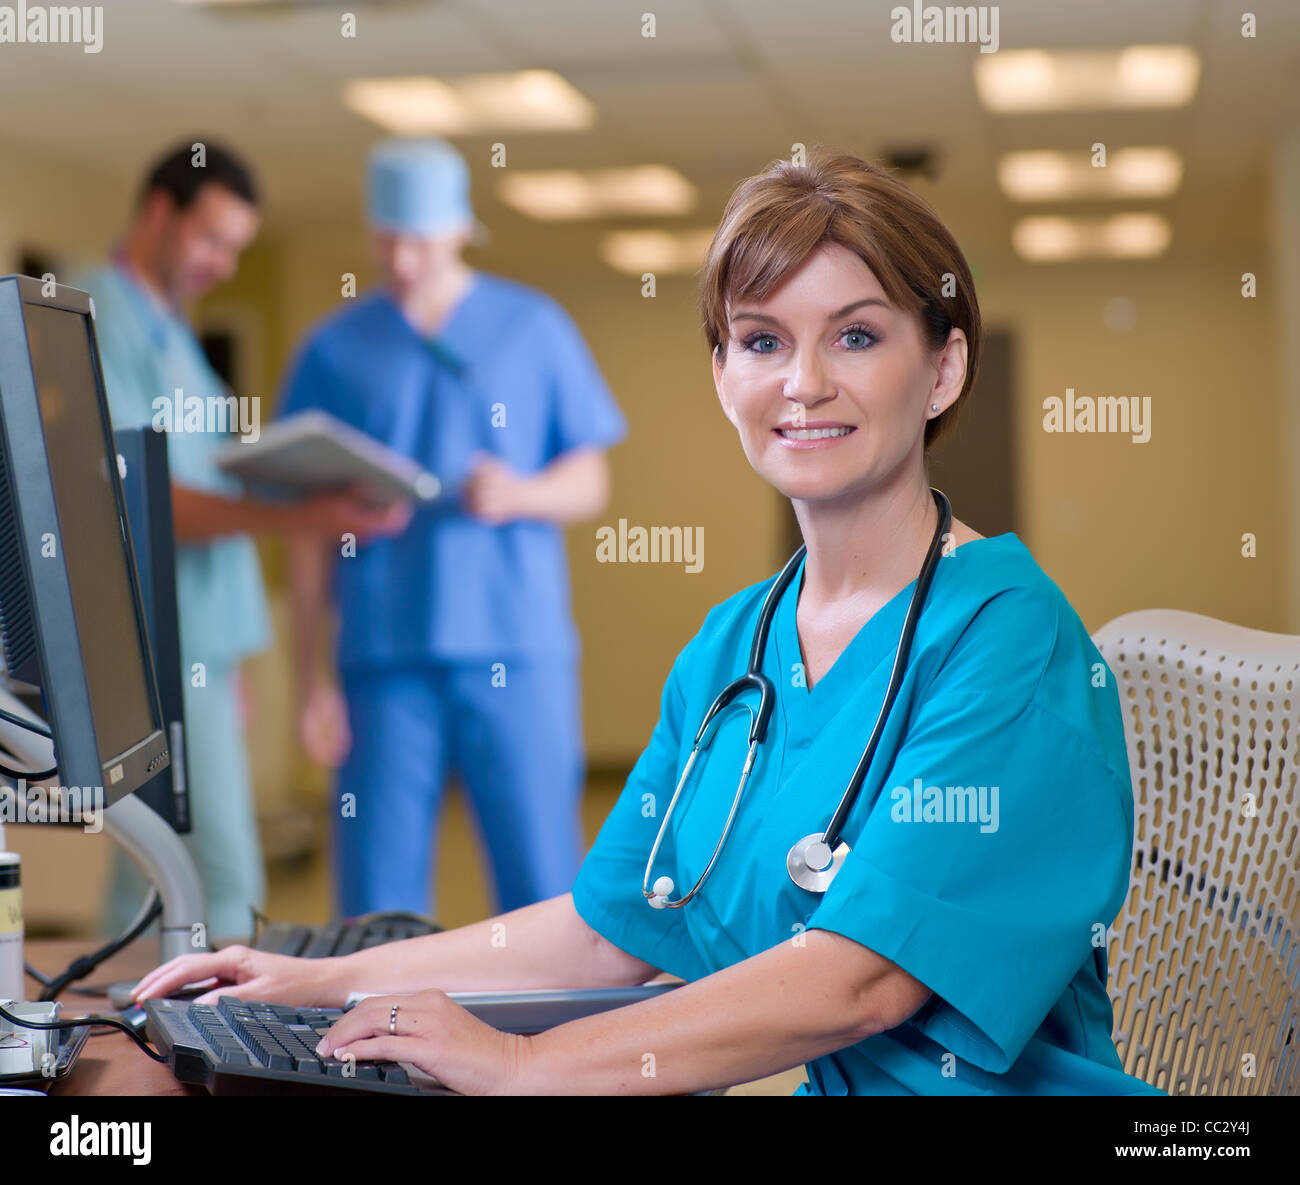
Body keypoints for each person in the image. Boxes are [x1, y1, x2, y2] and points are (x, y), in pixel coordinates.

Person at [133, 150, 1164, 1097]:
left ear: (942, 368)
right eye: (762, 341)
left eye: (855, 335)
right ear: (723, 378)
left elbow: (859, 985)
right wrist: (314, 981)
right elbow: (603, 935)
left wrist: (521, 1063)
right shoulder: (734, 649)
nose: (803, 383)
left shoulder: (1008, 641)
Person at [276, 137, 626, 920]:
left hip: (517, 648)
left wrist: (521, 492)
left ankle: (554, 1042)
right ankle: (375, 1039)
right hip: (383, 657)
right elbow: (304, 531)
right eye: (387, 239)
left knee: (544, 881)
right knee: (377, 897)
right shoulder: (334, 349)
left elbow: (590, 481)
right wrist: (310, 680)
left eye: (422, 241)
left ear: (462, 229)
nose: (402, 260)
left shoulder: (532, 327)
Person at [77, 139, 406, 941]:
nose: (223, 263)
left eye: (237, 248)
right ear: (160, 211)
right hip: (149, 642)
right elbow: (135, 495)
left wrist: (222, 662)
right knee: (220, 879)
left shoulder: (173, 332)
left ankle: (106, 1045)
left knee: (148, 876)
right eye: (212, 239)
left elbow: (203, 483)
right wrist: (309, 514)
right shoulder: (95, 310)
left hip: (196, 644)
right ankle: (209, 1056)